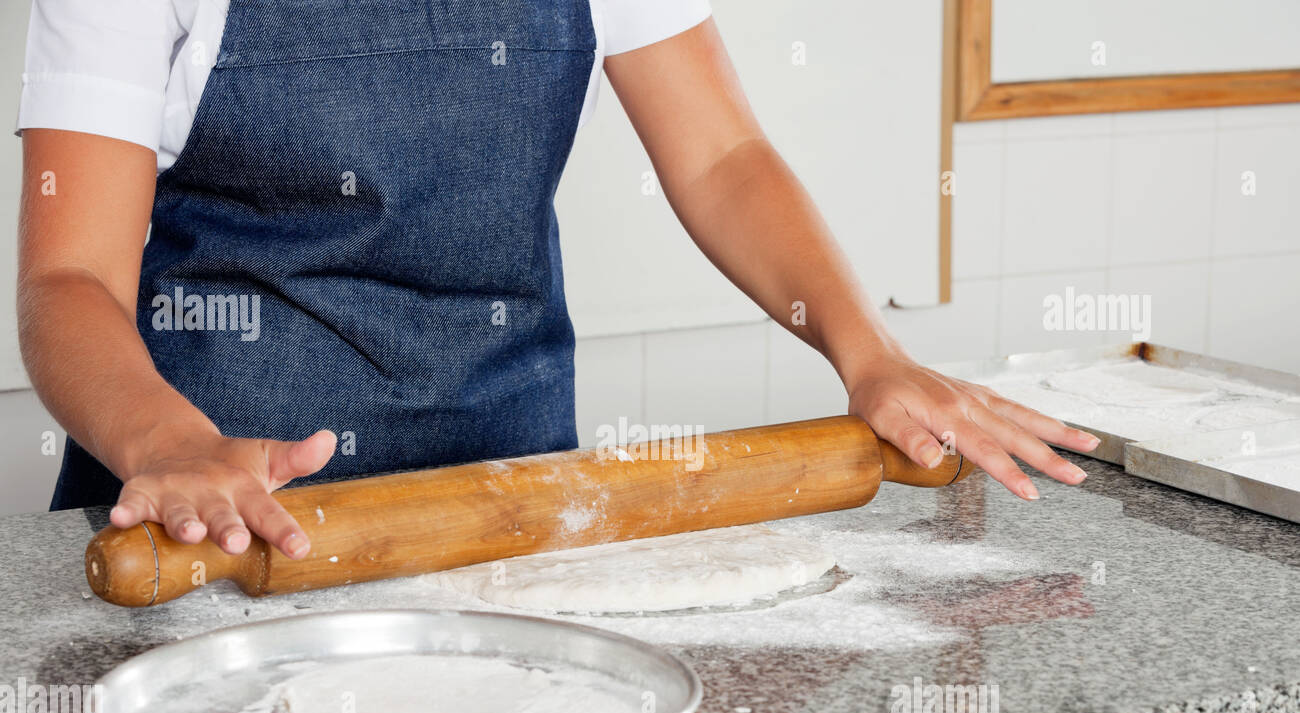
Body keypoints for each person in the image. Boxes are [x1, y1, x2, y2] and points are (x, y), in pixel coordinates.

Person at [16, 0, 1097, 563]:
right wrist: (166, 446)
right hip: (216, 527)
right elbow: (68, 276)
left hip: (507, 509)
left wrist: (871, 354)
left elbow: (722, 159)